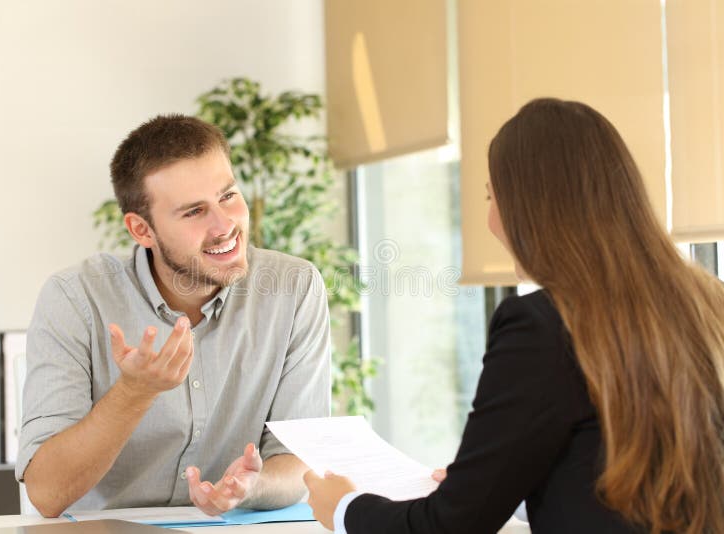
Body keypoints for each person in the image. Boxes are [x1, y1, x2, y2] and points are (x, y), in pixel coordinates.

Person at [304, 98, 724, 533]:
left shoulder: (543, 325)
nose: (490, 219)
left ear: (530, 205)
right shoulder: (708, 304)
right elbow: (628, 479)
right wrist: (502, 481)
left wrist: (345, 507)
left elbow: (448, 527)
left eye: (492, 196)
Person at [16, 114, 331, 517]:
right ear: (141, 230)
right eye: (194, 212)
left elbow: (297, 460)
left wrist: (250, 487)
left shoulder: (294, 287)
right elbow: (47, 492)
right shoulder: (75, 299)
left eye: (228, 196)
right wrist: (134, 392)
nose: (225, 226)